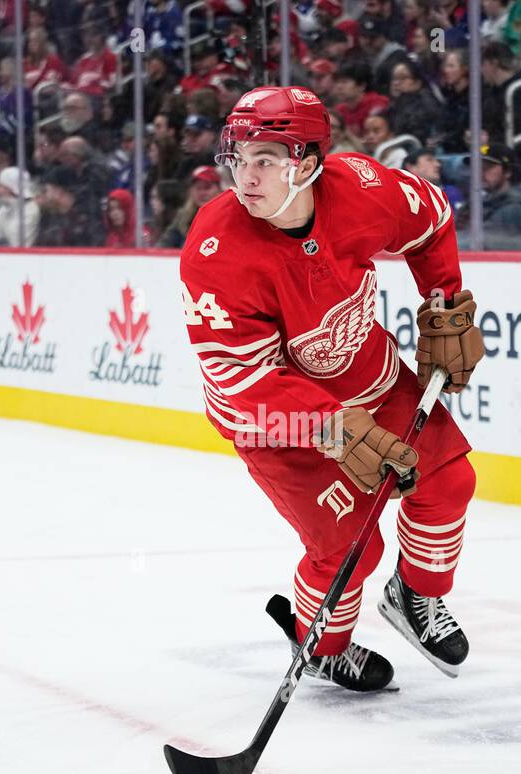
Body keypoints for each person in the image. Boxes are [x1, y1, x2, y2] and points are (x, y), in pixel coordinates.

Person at [178, 86, 485, 691]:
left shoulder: (363, 189)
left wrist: (444, 303)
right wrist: (335, 428)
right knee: (351, 547)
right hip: (275, 418)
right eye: (239, 157)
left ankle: (414, 596)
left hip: (365, 373)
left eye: (267, 159)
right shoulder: (215, 251)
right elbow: (243, 381)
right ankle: (324, 645)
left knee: (450, 481)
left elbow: (431, 218)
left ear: (311, 163)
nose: (247, 176)